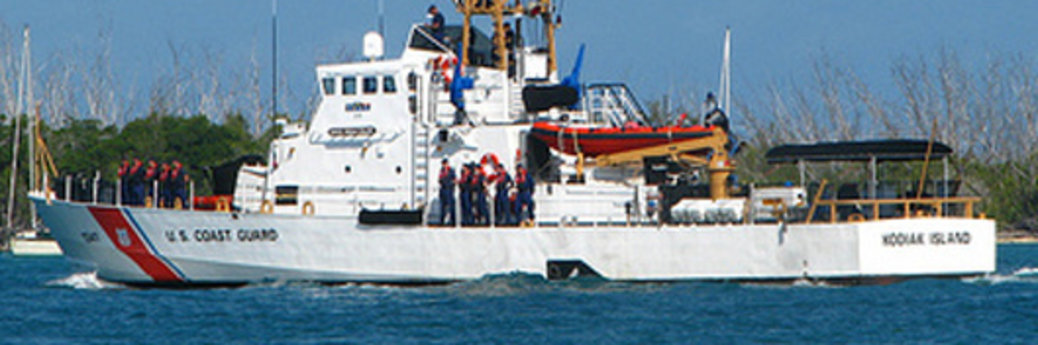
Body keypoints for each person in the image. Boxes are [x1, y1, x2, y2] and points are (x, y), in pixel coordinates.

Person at [438, 159, 456, 225]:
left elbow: (454, 179)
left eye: (445, 163)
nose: (444, 165)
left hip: (449, 189)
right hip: (443, 189)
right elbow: (440, 179)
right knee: (443, 206)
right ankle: (442, 220)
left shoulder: (451, 170)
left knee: (451, 206)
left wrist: (450, 184)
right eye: (443, 164)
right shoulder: (441, 171)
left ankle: (452, 220)